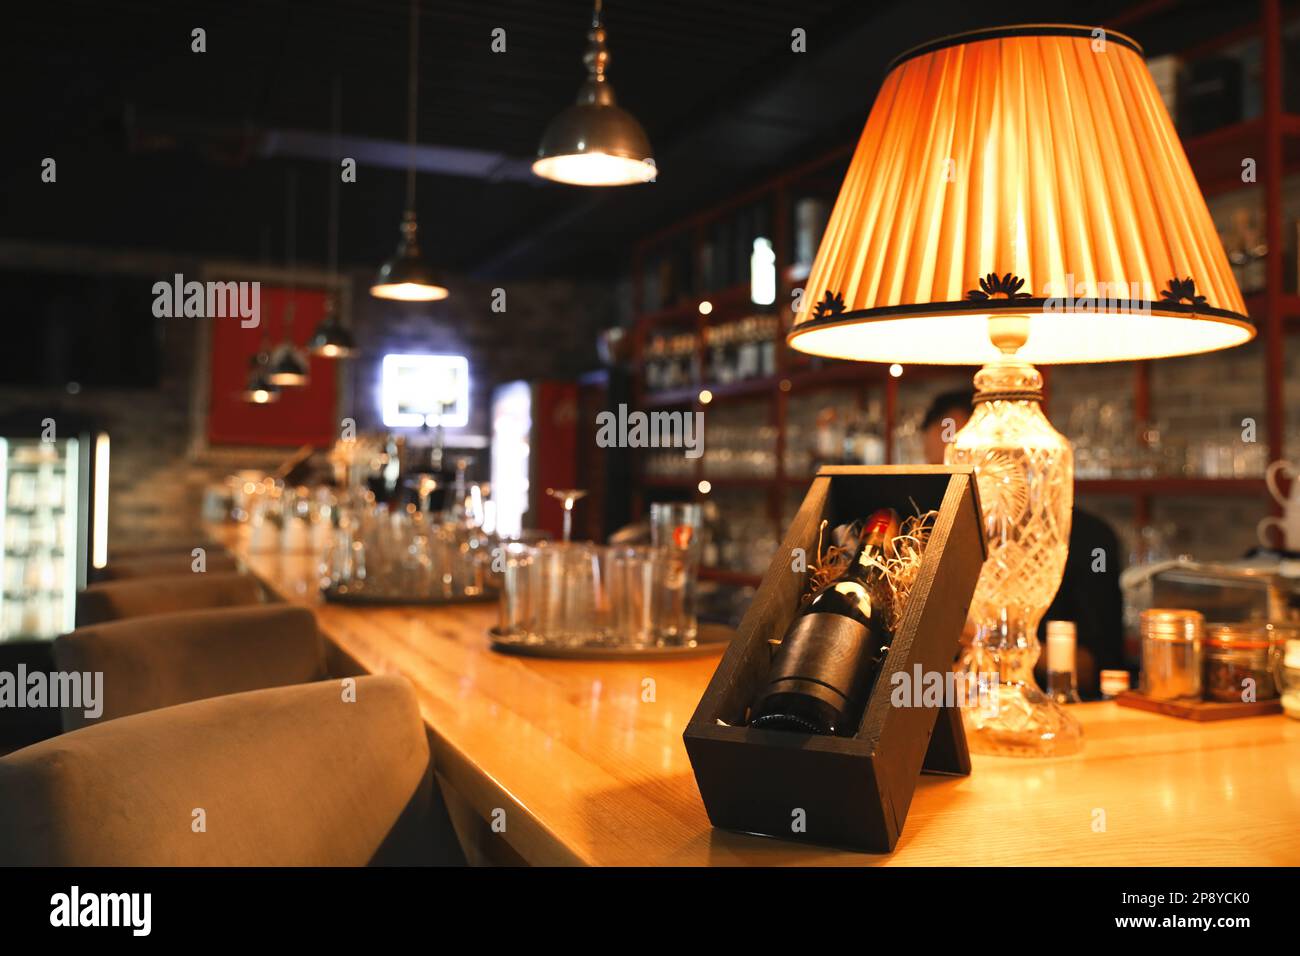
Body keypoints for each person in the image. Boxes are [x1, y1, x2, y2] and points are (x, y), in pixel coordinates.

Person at [919, 388, 1125, 698]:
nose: (948, 490)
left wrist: (989, 637)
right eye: (939, 473)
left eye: (958, 473)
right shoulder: (950, 534)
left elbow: (1097, 667)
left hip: (1055, 710)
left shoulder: (1090, 542)